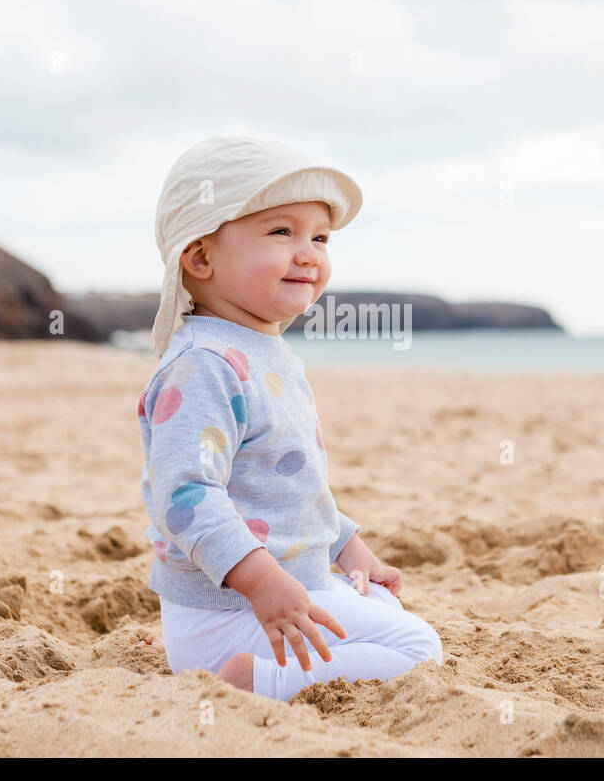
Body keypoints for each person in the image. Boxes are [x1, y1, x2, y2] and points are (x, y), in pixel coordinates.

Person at [136, 135, 443, 701]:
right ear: (200, 256)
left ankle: (211, 639)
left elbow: (284, 484)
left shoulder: (262, 349)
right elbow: (185, 496)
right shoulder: (204, 364)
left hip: (253, 599)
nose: (309, 254)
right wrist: (262, 585)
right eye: (282, 232)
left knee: (381, 600)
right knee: (419, 647)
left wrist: (348, 547)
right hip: (239, 604)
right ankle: (251, 676)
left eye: (320, 238)